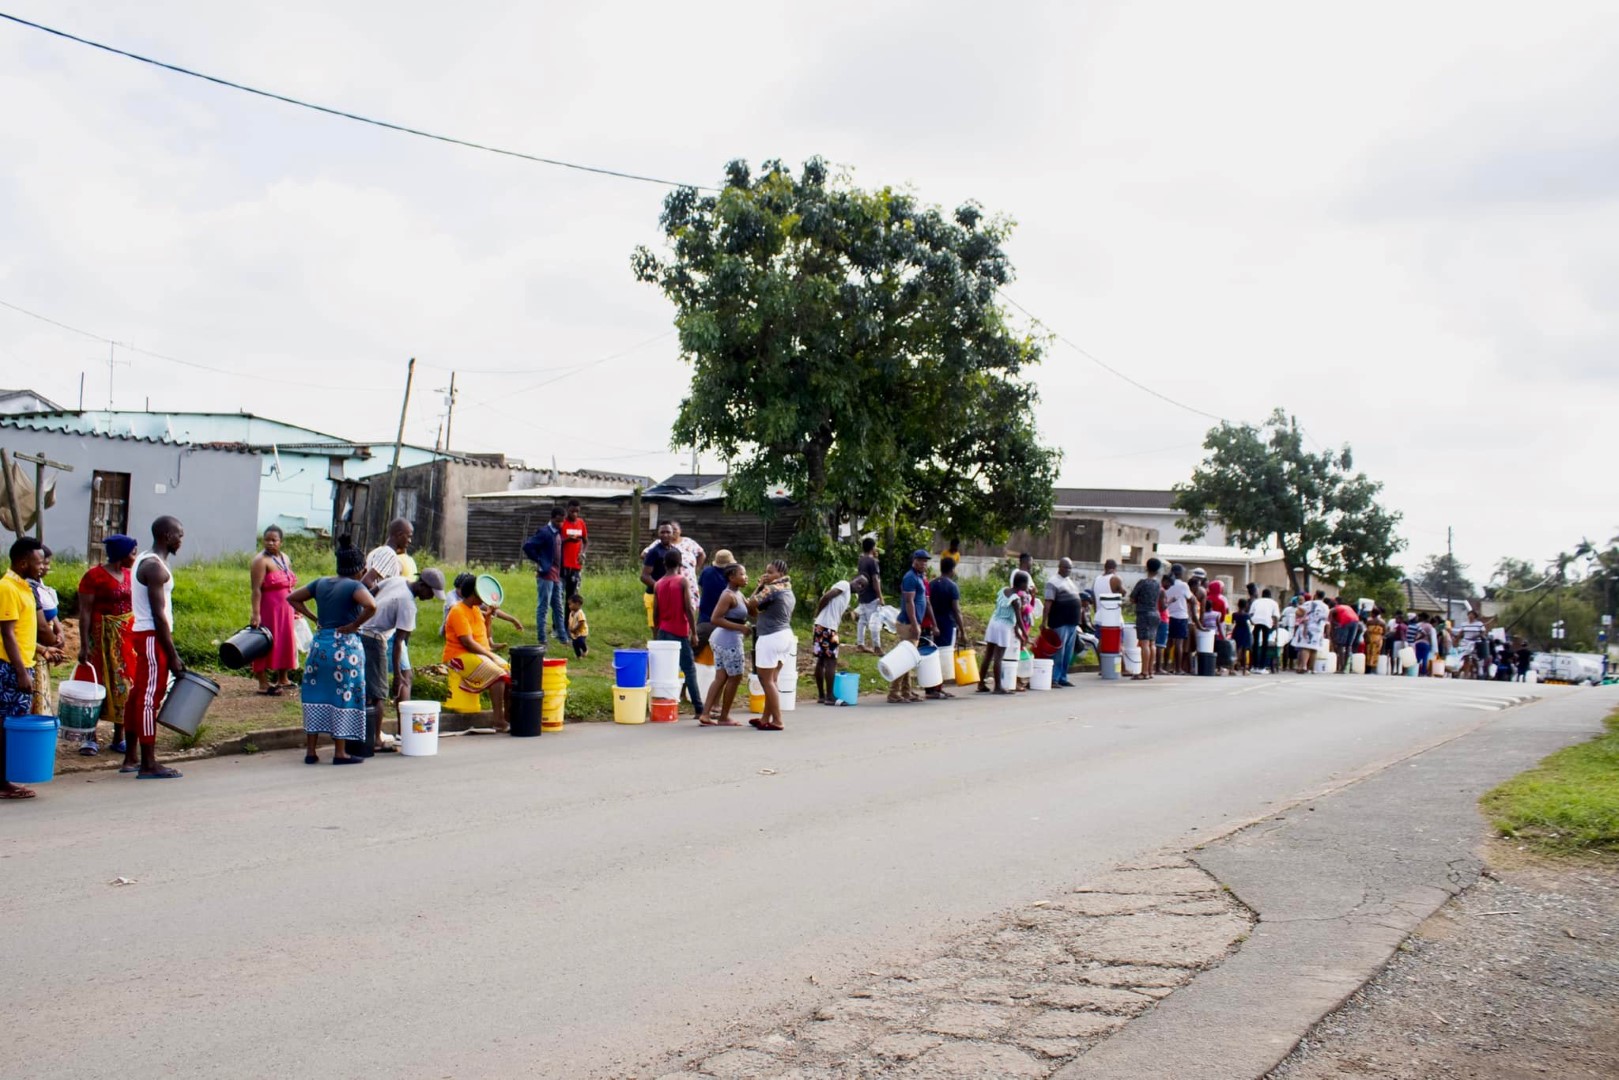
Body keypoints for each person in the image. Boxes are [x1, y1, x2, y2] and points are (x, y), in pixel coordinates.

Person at [289, 540, 377, 764]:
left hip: (319, 647)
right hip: (345, 649)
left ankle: (311, 751)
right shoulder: (355, 587)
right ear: (359, 569)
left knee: (315, 695)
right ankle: (340, 752)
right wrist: (354, 626)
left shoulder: (321, 583)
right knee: (343, 696)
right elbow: (371, 606)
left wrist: (314, 618)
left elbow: (292, 598)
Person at [121, 517, 186, 780]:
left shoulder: (147, 559)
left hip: (146, 634)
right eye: (179, 535)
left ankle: (131, 757)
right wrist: (172, 655)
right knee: (149, 697)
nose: (181, 539)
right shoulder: (153, 567)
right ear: (166, 535)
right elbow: (159, 615)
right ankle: (148, 763)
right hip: (152, 636)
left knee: (138, 695)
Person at [74, 534, 139, 756]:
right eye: (132, 552)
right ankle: (89, 737)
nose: (135, 556)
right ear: (122, 554)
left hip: (126, 640)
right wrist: (84, 645)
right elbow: (85, 612)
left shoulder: (131, 576)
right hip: (101, 640)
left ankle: (118, 736)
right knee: (97, 685)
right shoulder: (94, 577)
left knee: (125, 684)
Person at [1, 537, 46, 800]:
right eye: (38, 562)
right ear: (22, 562)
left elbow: (25, 631)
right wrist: (20, 671)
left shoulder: (25, 587)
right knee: (4, 725)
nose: (42, 566)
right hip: (9, 667)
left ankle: (6, 777)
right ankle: (2, 783)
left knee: (11, 725)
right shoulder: (7, 587)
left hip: (22, 664)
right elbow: (7, 634)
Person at [442, 573, 511, 734]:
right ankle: (498, 721)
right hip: (458, 656)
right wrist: (490, 655)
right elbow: (468, 642)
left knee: (509, 673)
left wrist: (488, 617)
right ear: (474, 593)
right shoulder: (458, 611)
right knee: (498, 675)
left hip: (478, 654)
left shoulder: (475, 609)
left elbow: (485, 635)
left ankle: (508, 717)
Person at [249, 525, 299, 695]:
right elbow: (256, 589)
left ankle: (282, 677)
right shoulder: (260, 561)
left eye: (274, 540)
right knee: (265, 642)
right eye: (267, 540)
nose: (270, 543)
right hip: (269, 609)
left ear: (281, 542)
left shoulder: (284, 558)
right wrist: (255, 613)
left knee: (285, 640)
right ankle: (263, 682)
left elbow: (290, 583)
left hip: (286, 608)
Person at [652, 549, 703, 715]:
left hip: (663, 630)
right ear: (680, 563)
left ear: (664, 564)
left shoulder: (658, 583)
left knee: (664, 670)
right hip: (679, 631)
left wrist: (656, 633)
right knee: (689, 669)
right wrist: (694, 632)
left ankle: (662, 705)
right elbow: (688, 607)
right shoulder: (682, 581)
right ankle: (699, 708)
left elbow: (656, 611)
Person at [747, 560, 796, 731]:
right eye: (766, 571)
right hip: (785, 636)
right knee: (773, 681)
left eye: (770, 572)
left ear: (780, 574)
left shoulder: (772, 588)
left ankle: (778, 720)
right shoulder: (787, 589)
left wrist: (760, 586)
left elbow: (751, 603)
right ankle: (765, 718)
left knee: (766, 681)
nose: (766, 575)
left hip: (771, 637)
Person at [701, 563, 749, 725]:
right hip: (729, 641)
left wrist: (761, 588)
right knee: (735, 678)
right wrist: (741, 627)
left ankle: (705, 715)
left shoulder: (739, 594)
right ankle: (724, 716)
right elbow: (715, 618)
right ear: (731, 577)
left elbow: (751, 608)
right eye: (742, 574)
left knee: (721, 677)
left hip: (722, 640)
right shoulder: (728, 595)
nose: (746, 577)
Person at [811, 573, 863, 705]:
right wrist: (818, 612)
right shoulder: (844, 584)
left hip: (821, 626)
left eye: (862, 587)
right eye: (859, 584)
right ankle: (829, 696)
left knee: (821, 660)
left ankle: (822, 696)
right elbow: (827, 596)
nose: (860, 588)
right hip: (829, 628)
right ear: (854, 580)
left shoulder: (847, 594)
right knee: (831, 661)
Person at [522, 505, 569, 649]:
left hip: (556, 575)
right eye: (559, 521)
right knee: (543, 607)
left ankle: (563, 638)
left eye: (563, 521)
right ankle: (542, 638)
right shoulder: (544, 533)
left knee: (558, 607)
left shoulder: (559, 533)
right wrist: (539, 561)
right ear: (553, 518)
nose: (561, 524)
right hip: (546, 575)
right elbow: (528, 546)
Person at [978, 571, 1029, 694]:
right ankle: (998, 687)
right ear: (1021, 584)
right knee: (998, 658)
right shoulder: (1016, 599)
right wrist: (1025, 634)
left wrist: (1019, 633)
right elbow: (1019, 619)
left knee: (988, 655)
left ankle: (980, 684)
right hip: (1003, 627)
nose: (1027, 586)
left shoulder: (1004, 590)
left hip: (993, 622)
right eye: (1026, 584)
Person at [891, 550, 930, 704]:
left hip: (913, 623)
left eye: (925, 561)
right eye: (921, 560)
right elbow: (909, 602)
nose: (924, 564)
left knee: (909, 659)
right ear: (914, 560)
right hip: (908, 624)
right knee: (904, 659)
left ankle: (906, 691)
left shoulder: (919, 577)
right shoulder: (910, 577)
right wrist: (915, 624)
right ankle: (893, 692)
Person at [29, 546, 64, 715]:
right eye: (43, 563)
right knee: (32, 693)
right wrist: (52, 641)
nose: (46, 567)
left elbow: (52, 613)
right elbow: (41, 626)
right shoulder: (28, 588)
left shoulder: (41, 586)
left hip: (44, 646)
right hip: (34, 647)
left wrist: (60, 633)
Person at [1043, 557, 1085, 687]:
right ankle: (1054, 678)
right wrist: (1043, 622)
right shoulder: (1053, 582)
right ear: (1059, 567)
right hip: (1059, 622)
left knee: (1068, 652)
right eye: (1065, 567)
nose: (1068, 570)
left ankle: (1062, 677)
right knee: (1059, 652)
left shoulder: (1069, 581)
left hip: (1072, 622)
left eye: (1070, 568)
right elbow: (1048, 603)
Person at [929, 557, 965, 684]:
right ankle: (940, 684)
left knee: (935, 653)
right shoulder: (952, 586)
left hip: (934, 623)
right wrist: (963, 630)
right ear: (953, 570)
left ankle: (935, 684)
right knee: (945, 654)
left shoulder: (931, 584)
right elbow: (956, 610)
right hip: (948, 624)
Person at [695, 549, 734, 657]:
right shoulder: (731, 578)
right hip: (724, 624)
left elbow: (702, 589)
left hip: (704, 622)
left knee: (691, 655)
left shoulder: (706, 572)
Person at [639, 522, 678, 630]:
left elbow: (677, 574)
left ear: (673, 534)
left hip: (671, 596)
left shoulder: (676, 552)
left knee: (670, 628)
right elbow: (644, 576)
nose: (665, 535)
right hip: (654, 595)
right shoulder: (654, 552)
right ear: (658, 534)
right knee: (657, 628)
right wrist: (661, 588)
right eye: (662, 532)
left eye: (668, 532)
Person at [1129, 558, 1162, 681]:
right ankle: (1150, 670)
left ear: (1146, 568)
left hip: (1144, 614)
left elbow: (1132, 598)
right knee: (1152, 643)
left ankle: (1143, 672)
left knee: (1144, 643)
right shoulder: (1157, 584)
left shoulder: (1143, 583)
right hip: (1155, 613)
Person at [855, 537, 884, 653]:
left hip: (862, 593)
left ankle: (860, 643)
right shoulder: (873, 562)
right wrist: (880, 597)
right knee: (874, 621)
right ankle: (877, 647)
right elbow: (875, 580)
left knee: (862, 620)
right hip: (871, 595)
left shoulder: (861, 560)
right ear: (873, 547)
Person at [1164, 565, 1194, 675]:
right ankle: (1178, 668)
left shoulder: (1166, 584)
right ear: (1180, 573)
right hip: (1181, 616)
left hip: (1168, 615)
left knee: (1168, 643)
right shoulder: (1183, 585)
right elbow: (1190, 598)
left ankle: (1165, 667)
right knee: (1179, 644)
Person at [1295, 590, 1329, 673]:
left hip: (1307, 627)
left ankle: (1303, 666)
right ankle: (1312, 668)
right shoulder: (1325, 607)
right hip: (1319, 628)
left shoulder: (1309, 603)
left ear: (1316, 595)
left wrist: (1299, 613)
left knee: (1305, 646)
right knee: (1314, 648)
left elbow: (1299, 612)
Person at [560, 500, 588, 600]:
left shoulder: (581, 523)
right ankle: (559, 616)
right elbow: (556, 541)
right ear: (567, 510)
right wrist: (568, 539)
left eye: (577, 511)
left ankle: (570, 616)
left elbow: (585, 541)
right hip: (562, 565)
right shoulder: (562, 523)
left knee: (572, 597)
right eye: (572, 511)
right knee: (560, 595)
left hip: (576, 565)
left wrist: (583, 553)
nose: (575, 514)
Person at [1249, 589, 1279, 673]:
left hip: (1256, 622)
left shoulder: (1256, 601)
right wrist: (1276, 629)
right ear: (1270, 595)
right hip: (1266, 622)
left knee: (1255, 644)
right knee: (1264, 644)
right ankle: (1262, 667)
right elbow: (1276, 616)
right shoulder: (1273, 603)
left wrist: (1252, 622)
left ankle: (1254, 666)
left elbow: (1250, 613)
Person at [1330, 597, 1360, 673]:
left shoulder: (1335, 608)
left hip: (1346, 621)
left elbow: (1331, 617)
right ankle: (1344, 668)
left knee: (1340, 645)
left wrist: (1332, 623)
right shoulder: (1347, 607)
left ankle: (1341, 667)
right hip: (1356, 620)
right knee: (1348, 645)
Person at [1232, 599, 1253, 675]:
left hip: (1237, 631)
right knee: (1244, 651)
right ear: (1246, 606)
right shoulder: (1247, 615)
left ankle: (1233, 668)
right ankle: (1244, 670)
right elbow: (1252, 622)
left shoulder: (1234, 614)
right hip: (1245, 632)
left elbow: (1232, 622)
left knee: (1236, 650)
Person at [1363, 608, 1386, 675]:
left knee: (1369, 653)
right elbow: (1384, 632)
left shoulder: (1369, 622)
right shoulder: (1382, 622)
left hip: (1370, 638)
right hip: (1378, 639)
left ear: (1373, 613)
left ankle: (1368, 669)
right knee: (1376, 654)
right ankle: (1373, 669)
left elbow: (1366, 631)